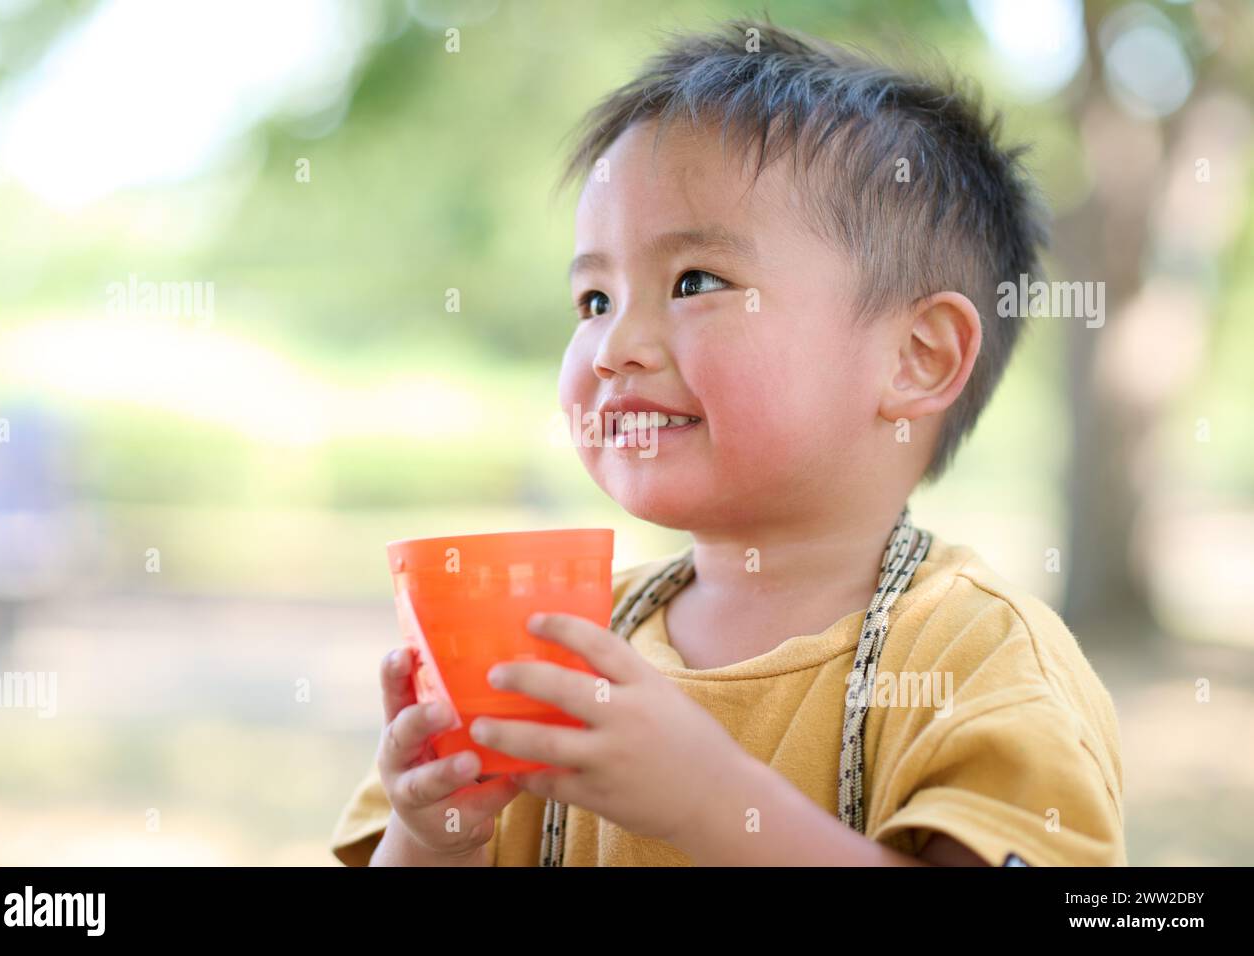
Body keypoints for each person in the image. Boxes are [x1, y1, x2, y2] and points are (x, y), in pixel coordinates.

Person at [330, 19, 1125, 867]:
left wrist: (710, 802)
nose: (612, 347)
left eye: (696, 282)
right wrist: (435, 831)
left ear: (916, 359)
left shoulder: (977, 660)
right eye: (594, 299)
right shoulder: (559, 645)